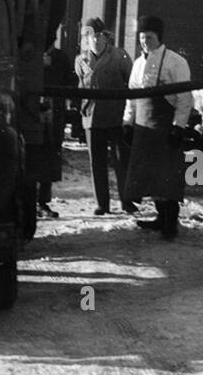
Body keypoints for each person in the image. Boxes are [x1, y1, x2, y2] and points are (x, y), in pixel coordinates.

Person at [122, 14, 191, 239]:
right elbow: (132, 97)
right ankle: (160, 218)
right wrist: (127, 123)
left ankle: (171, 222)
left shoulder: (176, 62)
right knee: (149, 177)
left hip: (164, 129)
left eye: (149, 37)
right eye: (141, 38)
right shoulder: (138, 63)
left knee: (167, 178)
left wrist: (178, 127)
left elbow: (184, 98)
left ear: (159, 37)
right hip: (143, 128)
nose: (144, 42)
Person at [75, 17, 134, 215]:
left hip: (116, 116)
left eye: (99, 35)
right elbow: (81, 86)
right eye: (91, 36)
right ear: (86, 38)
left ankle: (127, 201)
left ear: (105, 36)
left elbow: (131, 83)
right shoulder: (81, 59)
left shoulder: (119, 56)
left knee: (120, 159)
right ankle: (102, 203)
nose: (96, 40)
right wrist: (82, 109)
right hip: (92, 117)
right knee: (96, 162)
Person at [37, 26, 76, 217]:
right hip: (32, 114)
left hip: (54, 116)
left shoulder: (61, 58)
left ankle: (43, 201)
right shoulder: (30, 57)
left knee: (50, 156)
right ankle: (29, 200)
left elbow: (71, 81)